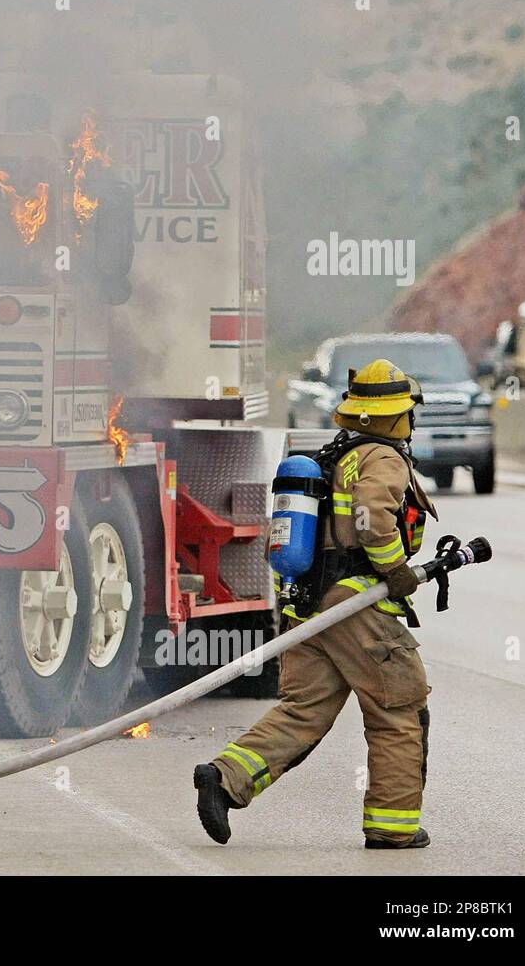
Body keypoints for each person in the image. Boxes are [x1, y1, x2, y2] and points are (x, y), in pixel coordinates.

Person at [194, 359, 437, 849]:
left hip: (306, 605)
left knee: (305, 709)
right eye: (409, 411)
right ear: (394, 415)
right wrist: (396, 572)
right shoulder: (382, 458)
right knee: (399, 709)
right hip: (357, 607)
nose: (412, 420)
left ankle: (224, 779)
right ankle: (393, 828)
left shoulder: (329, 457)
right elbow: (370, 520)